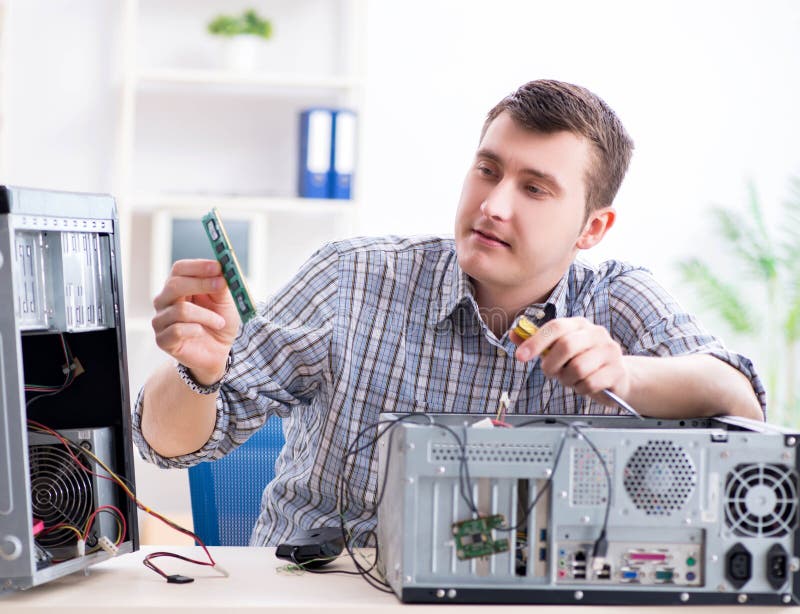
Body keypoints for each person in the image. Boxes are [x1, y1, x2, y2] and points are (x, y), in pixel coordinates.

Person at [133, 79, 765, 546]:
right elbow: (166, 446)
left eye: (535, 188)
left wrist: (627, 375)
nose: (492, 205)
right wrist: (197, 370)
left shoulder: (618, 298)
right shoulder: (351, 276)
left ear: (592, 228)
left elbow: (741, 401)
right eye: (486, 170)